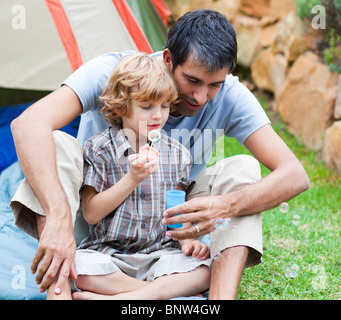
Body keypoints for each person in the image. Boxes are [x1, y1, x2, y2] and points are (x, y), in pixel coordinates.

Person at [10, 9, 310, 300]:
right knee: (58, 144)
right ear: (168, 59)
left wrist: (224, 206)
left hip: (167, 220)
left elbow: (294, 175)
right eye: (192, 80)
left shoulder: (231, 95)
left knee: (242, 167)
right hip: (96, 218)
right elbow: (28, 124)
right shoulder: (115, 73)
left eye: (215, 84)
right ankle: (59, 291)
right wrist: (60, 217)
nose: (201, 97)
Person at [70, 53, 210, 300]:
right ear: (121, 106)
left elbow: (175, 214)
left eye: (165, 106)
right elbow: (91, 213)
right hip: (109, 257)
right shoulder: (99, 149)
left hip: (158, 255)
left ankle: (119, 298)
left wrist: (187, 241)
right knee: (76, 267)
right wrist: (131, 179)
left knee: (207, 270)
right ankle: (154, 293)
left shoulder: (178, 155)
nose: (158, 115)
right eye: (147, 106)